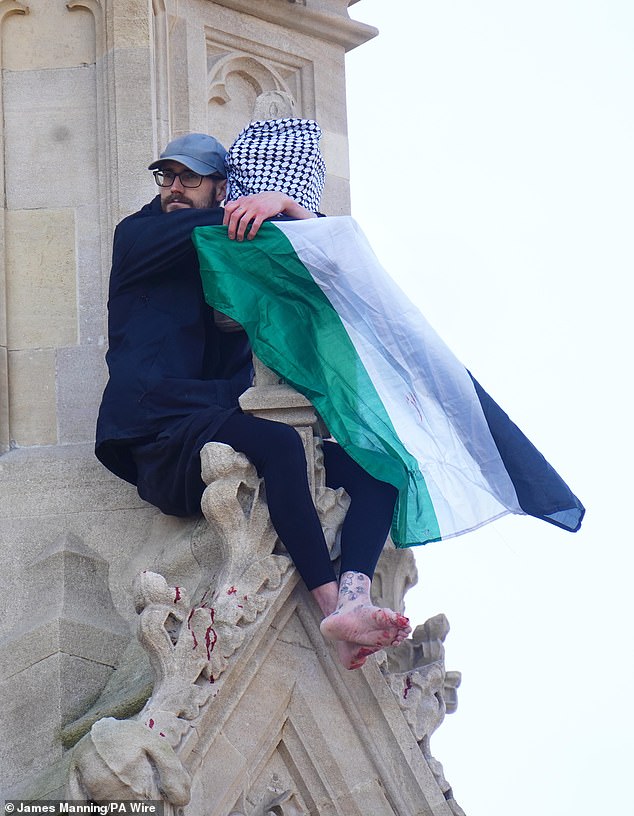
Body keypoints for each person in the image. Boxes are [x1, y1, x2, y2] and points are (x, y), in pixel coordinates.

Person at [95, 129, 412, 671]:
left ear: (221, 186)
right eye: (166, 176)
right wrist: (270, 209)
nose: (174, 187)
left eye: (189, 178)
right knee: (281, 445)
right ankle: (332, 606)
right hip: (158, 431)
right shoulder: (141, 235)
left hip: (214, 416)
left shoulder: (231, 256)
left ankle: (357, 593)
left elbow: (332, 261)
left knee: (380, 471)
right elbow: (223, 230)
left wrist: (284, 205)